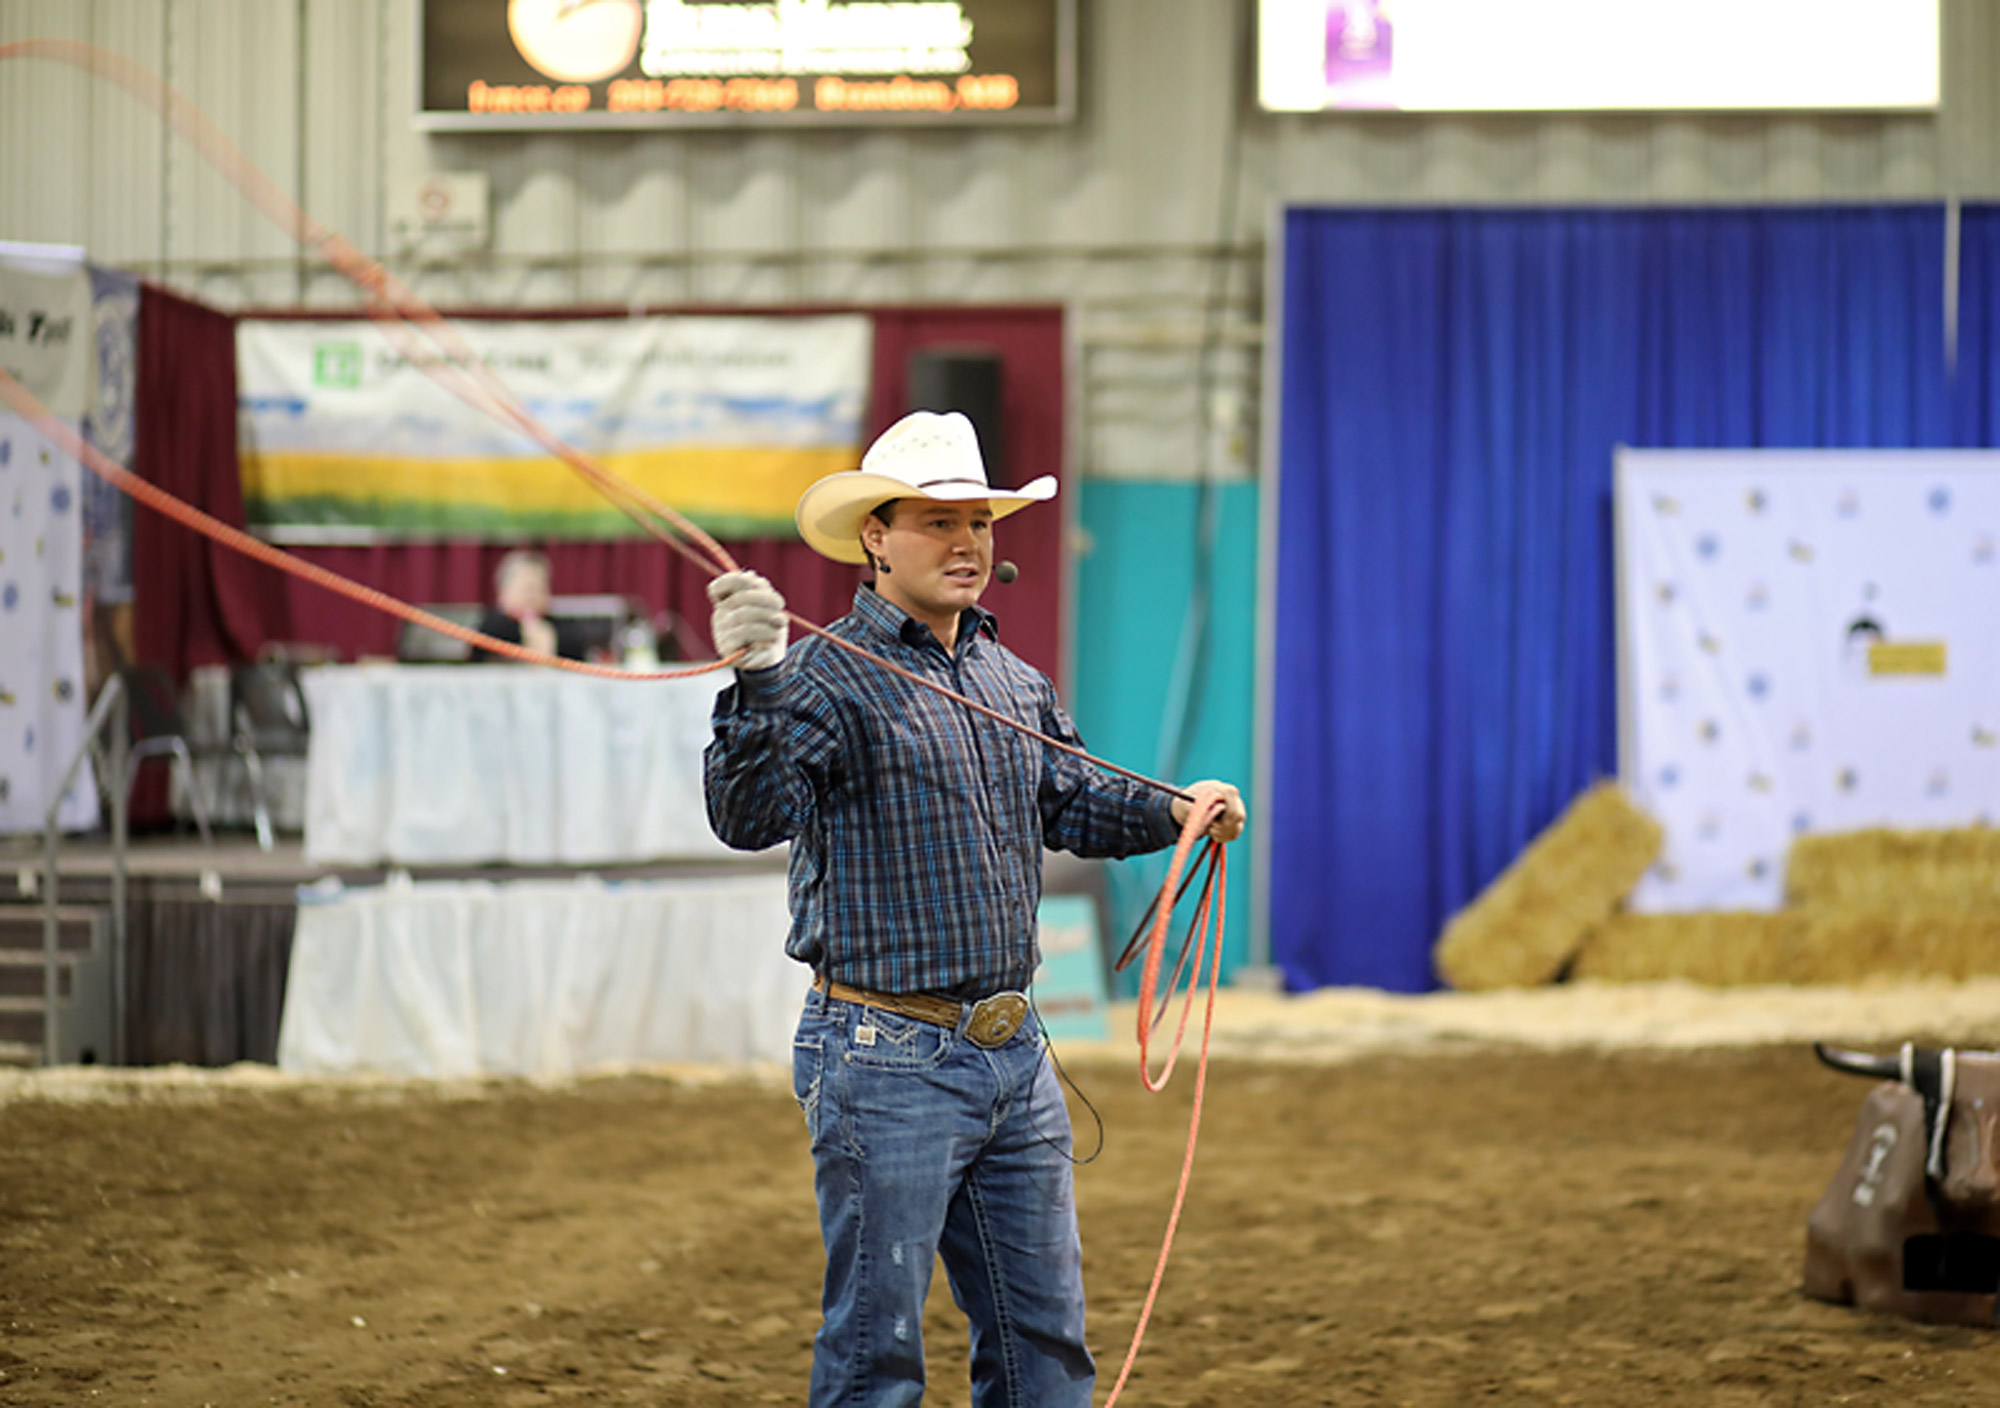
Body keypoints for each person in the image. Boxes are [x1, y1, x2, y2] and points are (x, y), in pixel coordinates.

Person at [702, 410, 1245, 1408]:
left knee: (1045, 1346)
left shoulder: (1009, 678)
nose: (964, 545)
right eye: (936, 522)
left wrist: (1173, 810)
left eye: (978, 525)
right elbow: (746, 814)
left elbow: (1069, 797)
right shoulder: (823, 675)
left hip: (1012, 1053)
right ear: (875, 535)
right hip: (881, 1054)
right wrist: (756, 682)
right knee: (876, 1351)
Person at [470, 548, 581, 662]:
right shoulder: (491, 626)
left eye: (539, 588)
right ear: (503, 591)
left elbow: (576, 650)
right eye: (527, 589)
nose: (532, 596)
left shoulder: (561, 628)